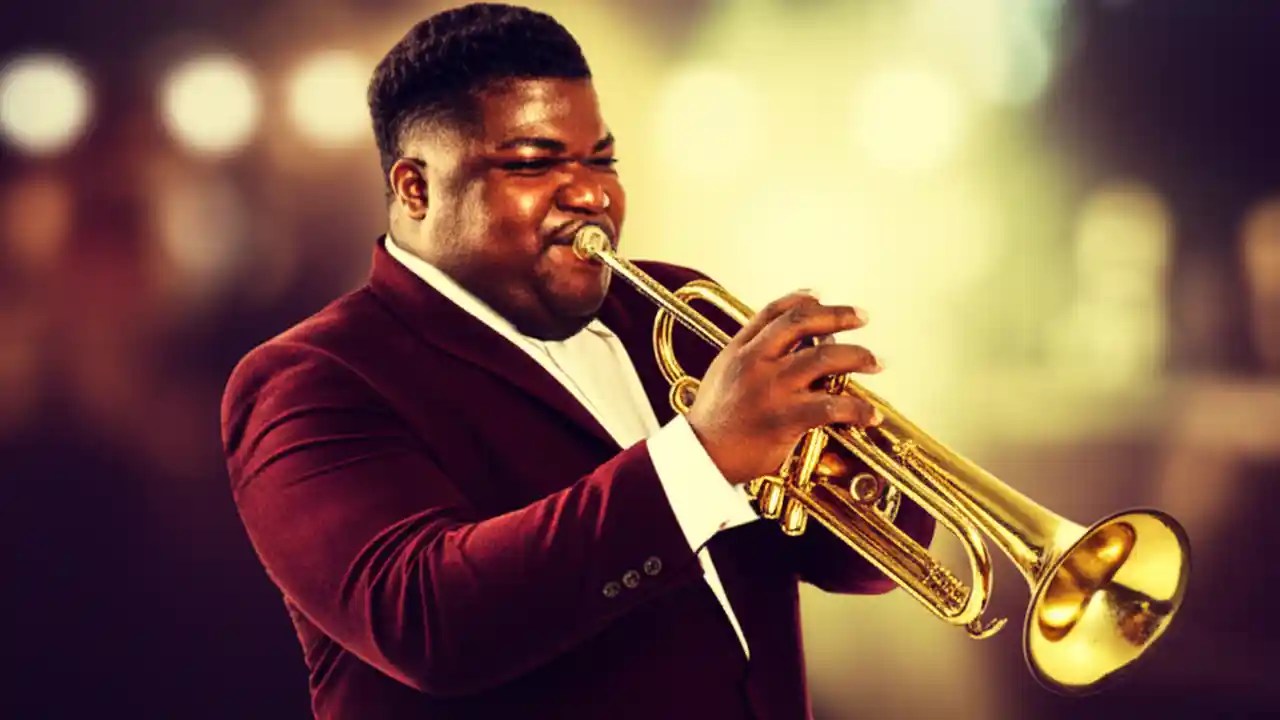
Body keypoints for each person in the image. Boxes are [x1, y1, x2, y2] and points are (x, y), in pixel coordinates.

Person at [220, 4, 935, 718]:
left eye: (602, 160)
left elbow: (862, 565)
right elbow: (429, 623)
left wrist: (855, 454)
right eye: (534, 164)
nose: (593, 193)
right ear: (417, 188)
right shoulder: (310, 379)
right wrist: (702, 457)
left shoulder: (673, 309)